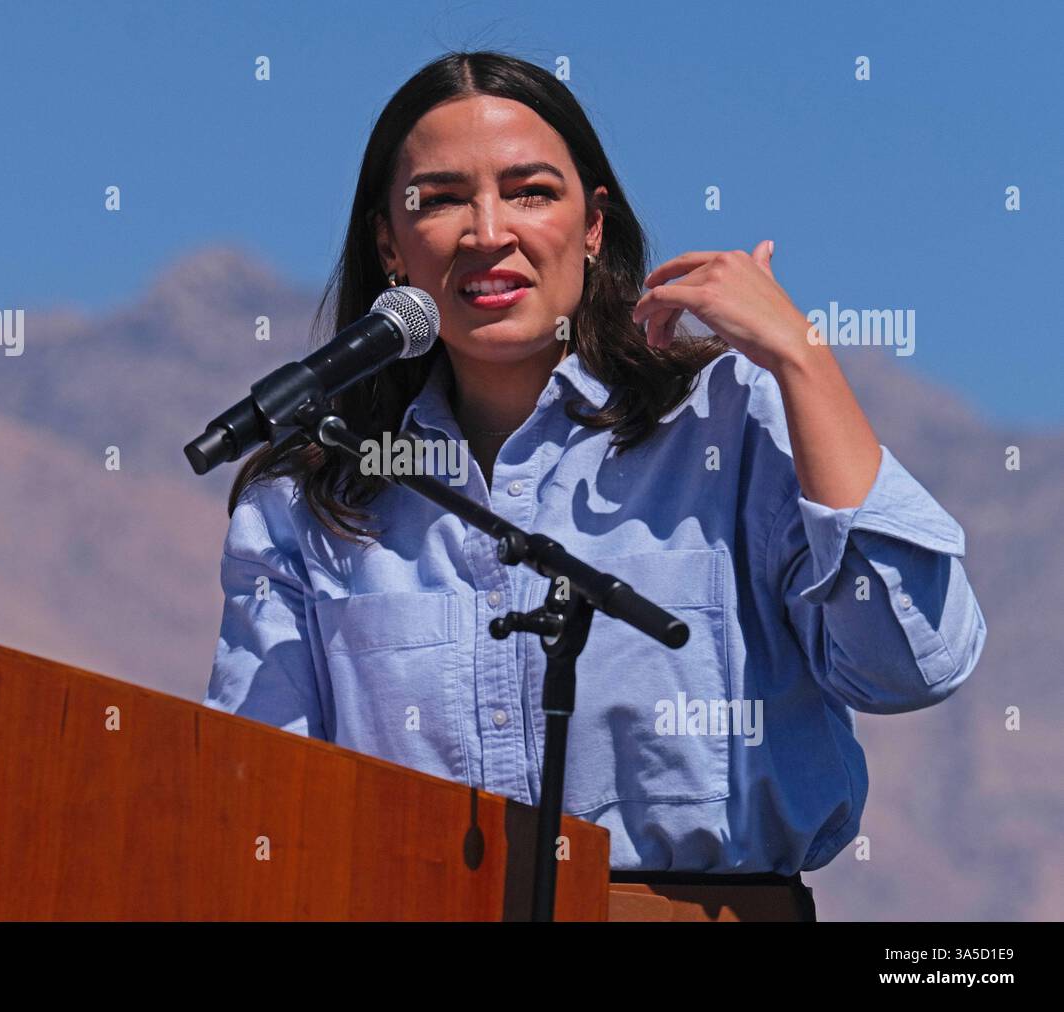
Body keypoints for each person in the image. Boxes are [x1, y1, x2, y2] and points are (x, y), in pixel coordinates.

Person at [201, 51, 986, 916]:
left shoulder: (726, 421)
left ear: (593, 227)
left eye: (531, 191)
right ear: (390, 240)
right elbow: (260, 807)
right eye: (443, 198)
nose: (487, 231)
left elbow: (911, 665)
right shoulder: (310, 502)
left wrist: (801, 358)